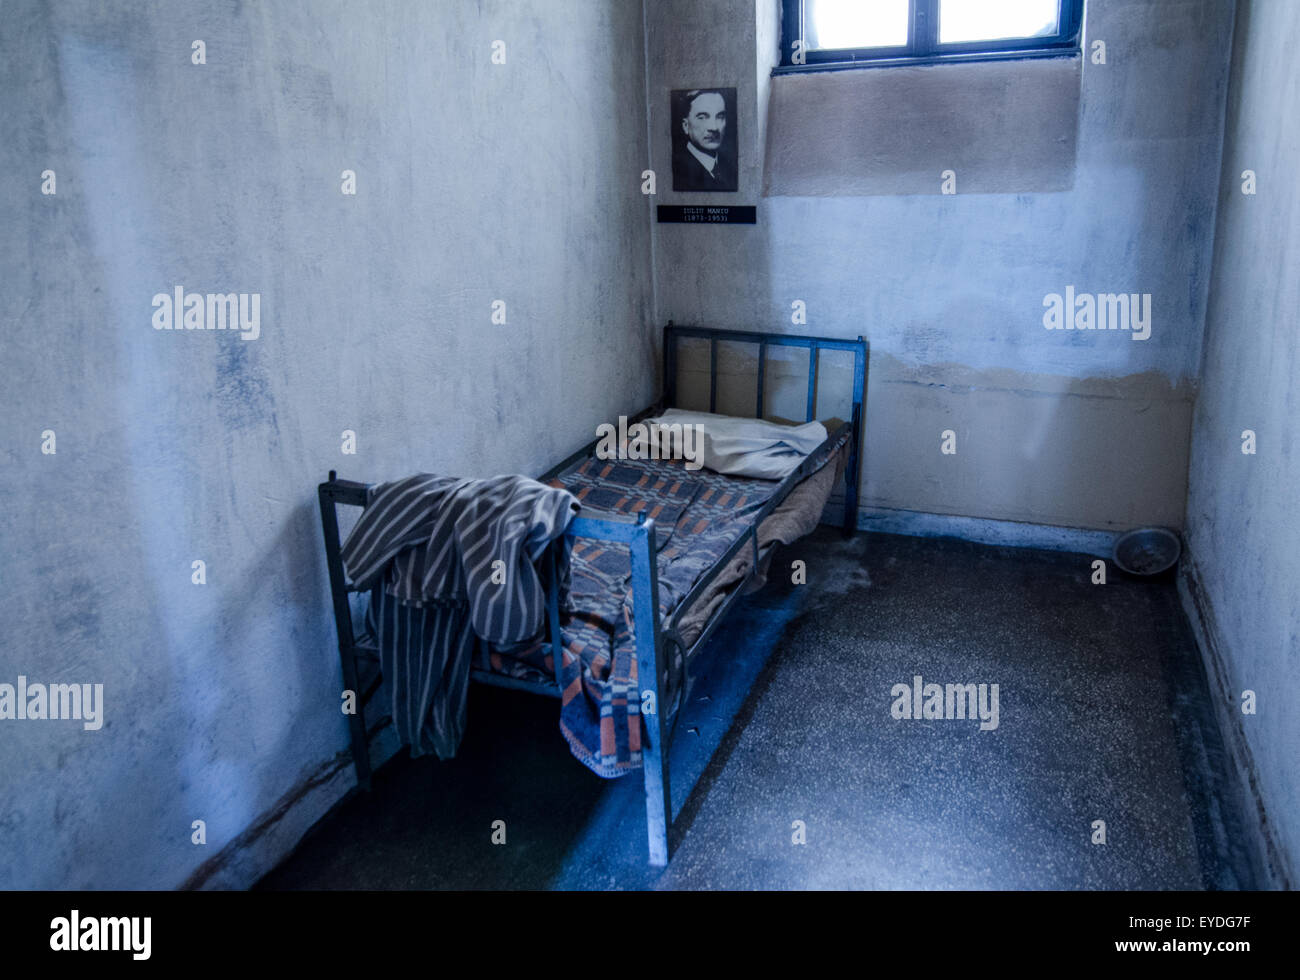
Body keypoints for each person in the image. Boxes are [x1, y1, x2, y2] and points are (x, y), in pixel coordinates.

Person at [672, 89, 737, 191]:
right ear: (686, 126)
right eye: (702, 117)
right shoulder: (676, 171)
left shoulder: (731, 167)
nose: (714, 127)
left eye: (720, 117)